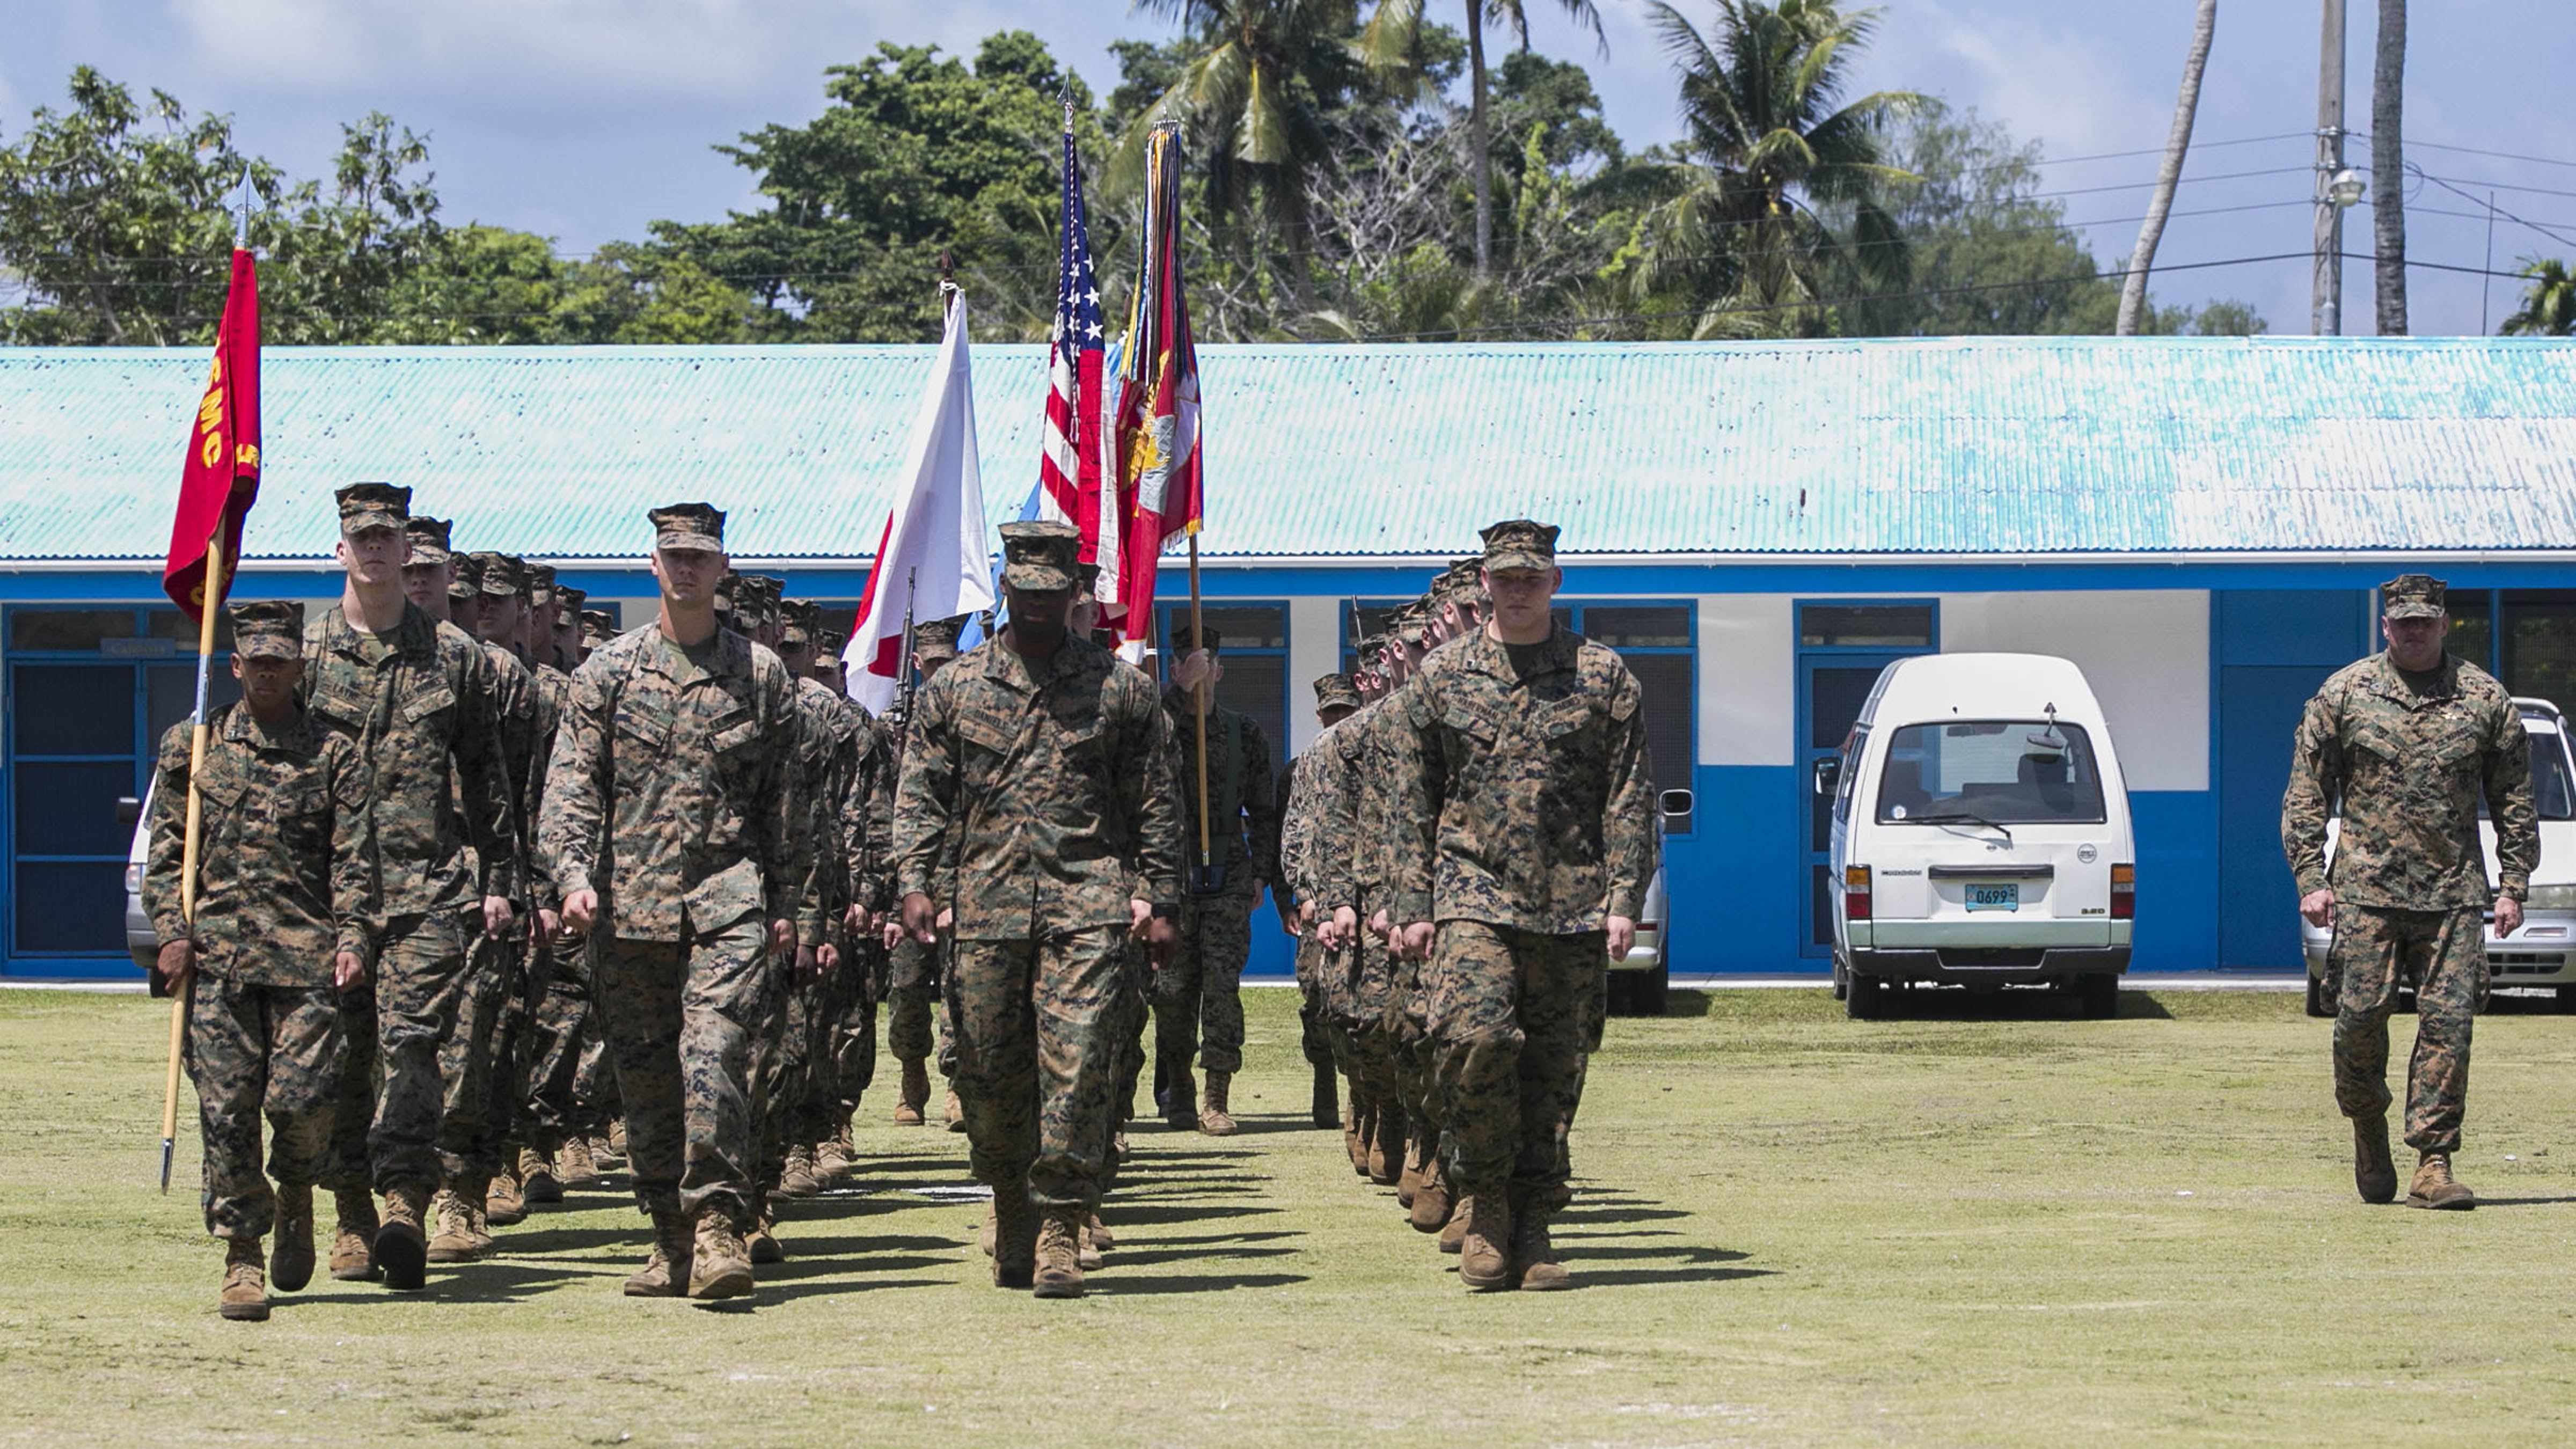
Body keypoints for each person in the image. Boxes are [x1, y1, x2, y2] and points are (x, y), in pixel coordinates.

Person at [892, 520, 1181, 1298]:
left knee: (1080, 1064)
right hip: (983, 906)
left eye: (1055, 596)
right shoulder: (954, 688)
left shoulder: (1119, 689)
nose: (1039, 609)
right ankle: (1010, 1200)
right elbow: (920, 794)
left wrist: (1156, 894)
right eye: (1025, 594)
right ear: (1006, 590)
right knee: (985, 1070)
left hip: (1087, 903)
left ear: (1075, 596)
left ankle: (1059, 1221)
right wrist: (915, 881)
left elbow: (1156, 800)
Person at [541, 503, 810, 1301]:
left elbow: (786, 808)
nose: (686, 569)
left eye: (701, 556)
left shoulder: (759, 675)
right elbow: (570, 791)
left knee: (717, 1060)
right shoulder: (609, 675)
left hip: (727, 904)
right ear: (653, 568)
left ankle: (721, 1225)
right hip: (629, 912)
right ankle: (669, 1236)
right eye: (673, 557)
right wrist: (573, 878)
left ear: (721, 569)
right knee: (648, 1080)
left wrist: (792, 906)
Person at [1385, 519, 1656, 1291]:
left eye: (1532, 577)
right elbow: (1411, 798)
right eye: (1505, 578)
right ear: (1484, 584)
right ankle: (1485, 1198)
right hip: (1472, 891)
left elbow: (1628, 797)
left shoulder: (1603, 678)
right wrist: (1413, 902)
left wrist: (1623, 896)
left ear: (1556, 582)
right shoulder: (1441, 679)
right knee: (1475, 1042)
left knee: (1553, 1068)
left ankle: (1531, 1222)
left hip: (1570, 901)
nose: (1518, 589)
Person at [301, 483, 519, 1293]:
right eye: (361, 538)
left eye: (388, 538)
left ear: (407, 549)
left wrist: (501, 881)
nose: (376, 551)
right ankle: (350, 1210)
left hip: (428, 888)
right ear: (340, 551)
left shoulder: (454, 658)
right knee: (341, 1063)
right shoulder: (308, 657)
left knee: (414, 1046)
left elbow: (487, 783)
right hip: (328, 899)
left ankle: (404, 1201)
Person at [147, 601, 374, 1322]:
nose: (268, 673)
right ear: (237, 665)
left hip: (307, 967)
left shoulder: (334, 751)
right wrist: (171, 931)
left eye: (282, 661)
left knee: (302, 1107)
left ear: (299, 667)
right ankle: (242, 1253)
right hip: (220, 967)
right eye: (257, 662)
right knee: (227, 1114)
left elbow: (354, 862)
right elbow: (165, 858)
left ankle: (298, 1187)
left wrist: (354, 936)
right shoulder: (196, 746)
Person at [2282, 573, 2537, 1210]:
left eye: (2428, 620)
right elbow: (2307, 792)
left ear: (2446, 624)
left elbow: (2513, 797)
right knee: (2359, 1023)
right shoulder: (2344, 694)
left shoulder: (2483, 697)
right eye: (2405, 621)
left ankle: (2433, 1161)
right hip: (2367, 892)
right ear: (2386, 626)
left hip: (2452, 894)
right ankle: (2368, 1126)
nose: (2416, 630)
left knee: (2448, 1029)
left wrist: (2513, 885)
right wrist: (2311, 878)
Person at [1153, 624, 1280, 1136]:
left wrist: (1263, 873)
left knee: (1222, 990)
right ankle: (1178, 1090)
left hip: (1228, 874)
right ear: (1176, 669)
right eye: (1189, 663)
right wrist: (1178, 694)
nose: (1201, 672)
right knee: (1173, 992)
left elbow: (1265, 811)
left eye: (1208, 665)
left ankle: (1216, 1097)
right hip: (1173, 874)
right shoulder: (1161, 725)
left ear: (1222, 671)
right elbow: (1140, 737)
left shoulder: (1243, 732)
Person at [880, 614, 965, 1129]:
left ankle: (957, 1084)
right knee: (908, 988)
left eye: (946, 663)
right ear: (916, 664)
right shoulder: (893, 730)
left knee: (961, 988)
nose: (938, 672)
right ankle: (913, 1079)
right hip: (909, 880)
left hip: (960, 877)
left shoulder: (968, 721)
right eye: (930, 663)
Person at [1278, 673, 1366, 1132]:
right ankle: (1323, 1085)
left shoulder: (1373, 763)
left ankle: (1361, 1093)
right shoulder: (1302, 768)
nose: (1338, 722)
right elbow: (1292, 834)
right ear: (1319, 717)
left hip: (1363, 904)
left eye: (1346, 714)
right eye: (1332, 714)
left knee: (1359, 1003)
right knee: (1316, 1000)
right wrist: (1302, 894)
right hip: (1317, 908)